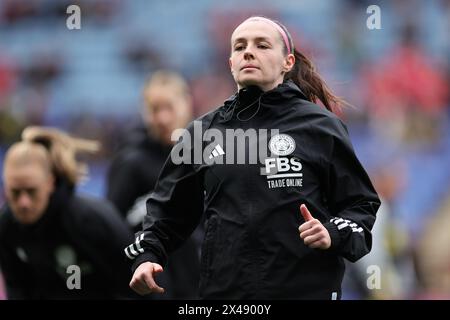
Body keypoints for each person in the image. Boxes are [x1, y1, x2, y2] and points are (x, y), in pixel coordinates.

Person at [126, 16, 380, 299]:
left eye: (262, 45)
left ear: (288, 62)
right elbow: (167, 213)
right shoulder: (201, 134)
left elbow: (360, 205)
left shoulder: (322, 128)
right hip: (225, 297)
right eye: (239, 46)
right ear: (231, 64)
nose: (248, 51)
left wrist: (332, 232)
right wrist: (148, 255)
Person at [0, 126, 135, 299]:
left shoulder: (91, 221)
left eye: (31, 191)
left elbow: (137, 285)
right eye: (15, 192)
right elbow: (17, 290)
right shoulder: (7, 228)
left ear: (50, 183)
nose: (23, 202)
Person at [107, 71, 201, 299]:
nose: (162, 118)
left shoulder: (203, 156)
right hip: (148, 286)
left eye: (169, 107)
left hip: (199, 283)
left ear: (186, 104)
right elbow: (112, 227)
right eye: (154, 109)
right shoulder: (130, 162)